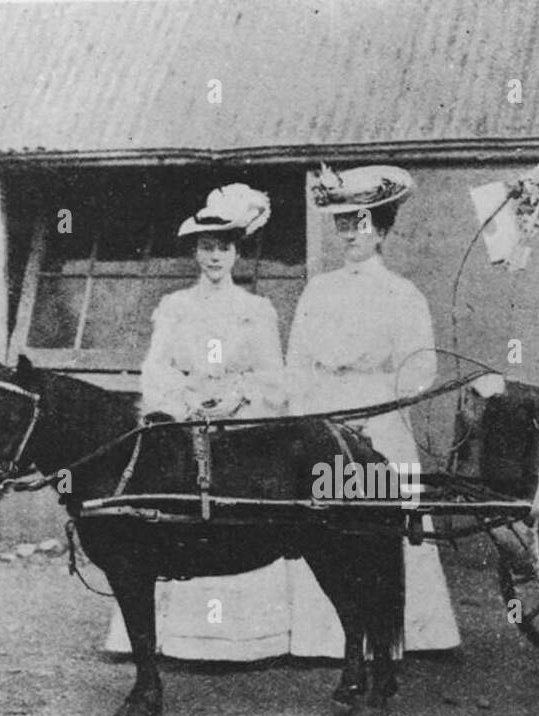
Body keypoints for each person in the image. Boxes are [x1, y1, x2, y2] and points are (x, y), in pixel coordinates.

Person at [103, 183, 292, 660]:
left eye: (224, 248)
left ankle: (241, 643)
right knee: (175, 518)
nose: (215, 257)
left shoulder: (256, 311)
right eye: (207, 247)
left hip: (238, 425)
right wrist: (185, 402)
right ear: (195, 252)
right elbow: (156, 367)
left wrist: (235, 399)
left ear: (236, 253)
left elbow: (272, 375)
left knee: (234, 515)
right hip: (185, 425)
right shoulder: (175, 308)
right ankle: (180, 640)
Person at [284, 164, 461, 657]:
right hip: (323, 419)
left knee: (376, 528)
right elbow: (296, 361)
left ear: (381, 229)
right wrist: (308, 415)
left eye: (360, 224)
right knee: (321, 522)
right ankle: (322, 639)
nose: (350, 235)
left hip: (379, 421)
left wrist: (375, 410)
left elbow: (418, 369)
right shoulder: (318, 290)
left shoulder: (402, 295)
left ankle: (405, 636)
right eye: (342, 224)